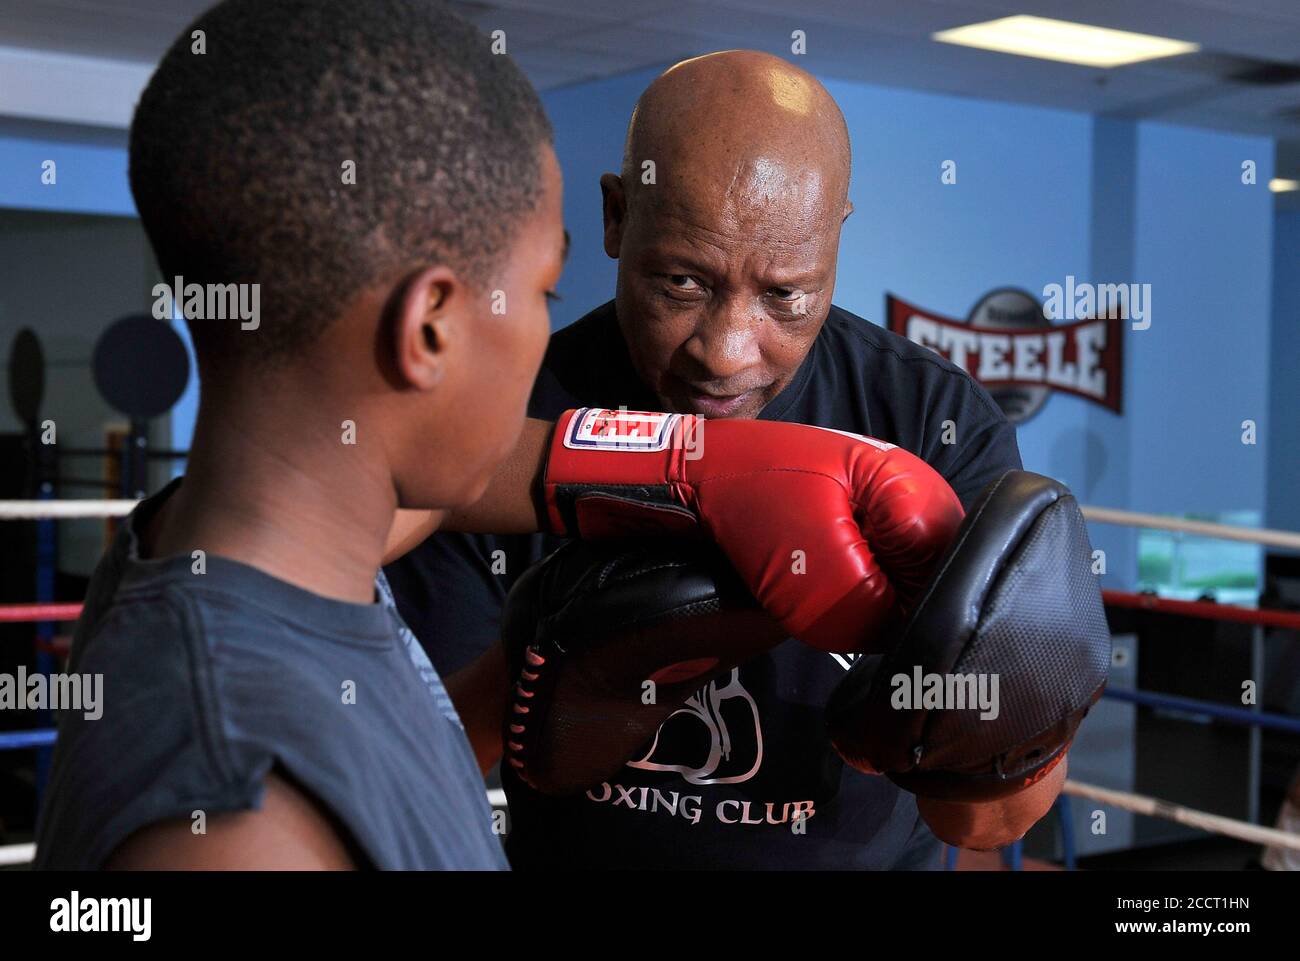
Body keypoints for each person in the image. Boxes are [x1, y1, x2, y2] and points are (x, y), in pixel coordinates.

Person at [35, 3, 952, 870]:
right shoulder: (246, 822)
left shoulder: (215, 560)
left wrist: (694, 468)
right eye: (544, 287)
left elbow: (491, 468)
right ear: (431, 327)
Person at [385, 50, 1025, 870]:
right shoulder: (505, 416)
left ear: (834, 239)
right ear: (617, 218)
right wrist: (564, 661)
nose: (726, 354)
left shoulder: (930, 423)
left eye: (785, 295)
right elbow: (415, 777)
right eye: (682, 283)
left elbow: (987, 823)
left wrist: (989, 717)